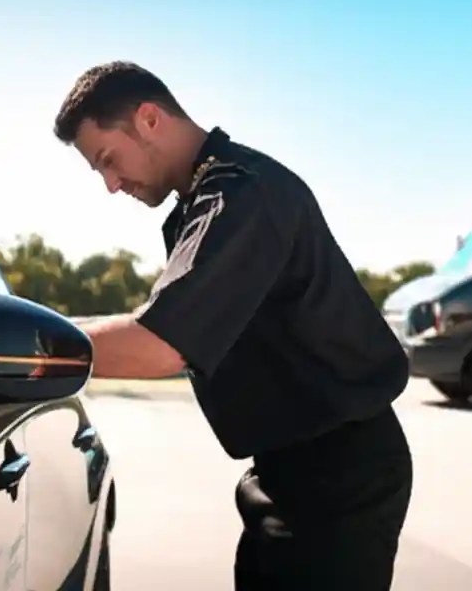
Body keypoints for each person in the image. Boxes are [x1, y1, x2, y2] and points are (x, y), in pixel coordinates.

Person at [51, 61, 413, 590]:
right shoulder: (208, 197)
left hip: (337, 475)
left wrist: (27, 346)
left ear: (149, 119)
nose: (110, 184)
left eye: (108, 159)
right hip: (285, 469)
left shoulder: (242, 193)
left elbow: (160, 345)